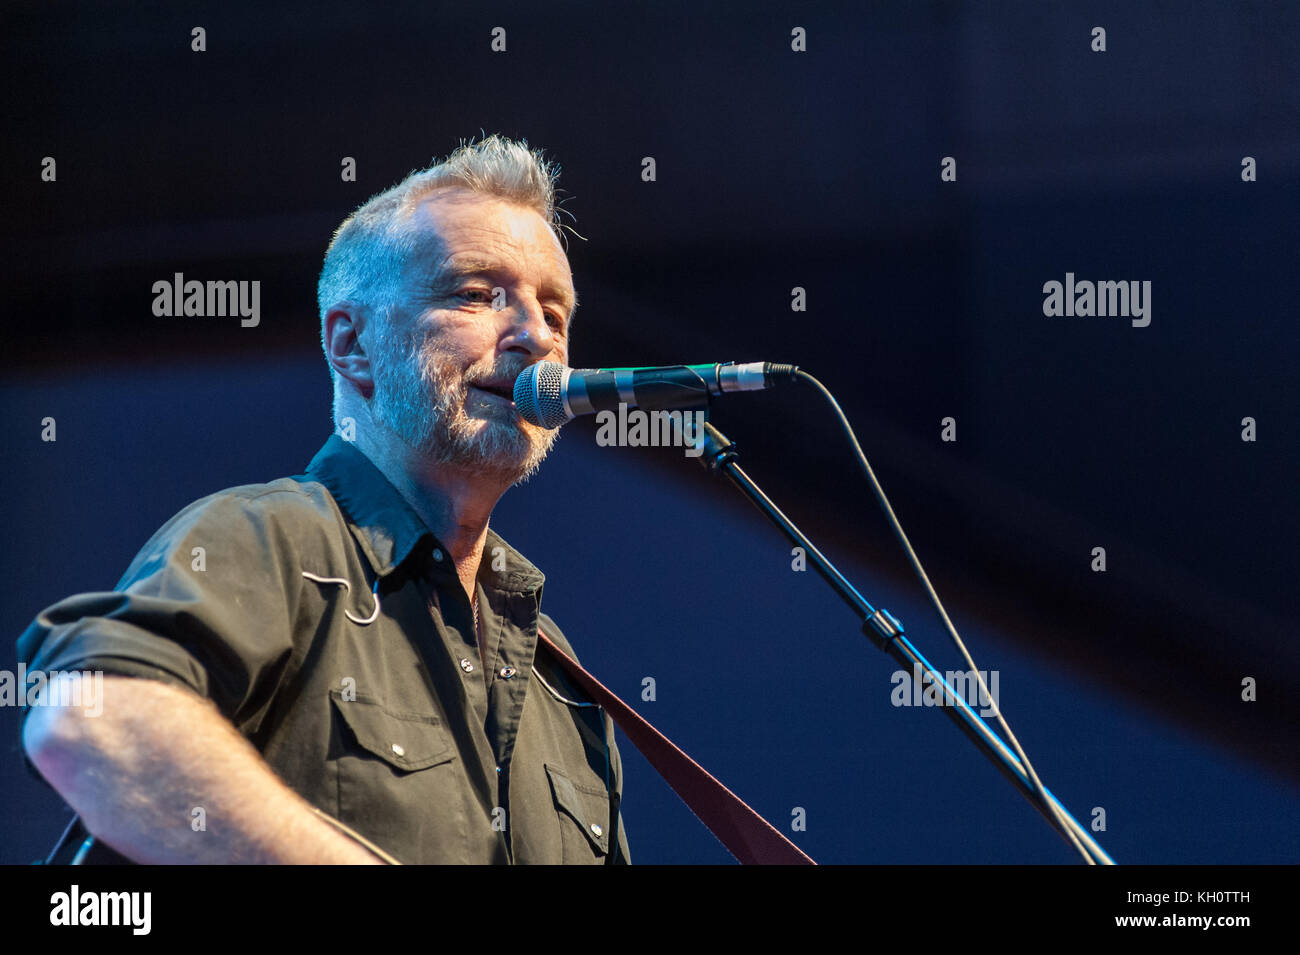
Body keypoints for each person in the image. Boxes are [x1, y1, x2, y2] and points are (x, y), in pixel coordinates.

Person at [18, 134, 631, 865]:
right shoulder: (268, 542)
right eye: (475, 294)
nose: (534, 335)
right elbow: (94, 720)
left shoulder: (559, 675)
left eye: (556, 315)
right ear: (352, 344)